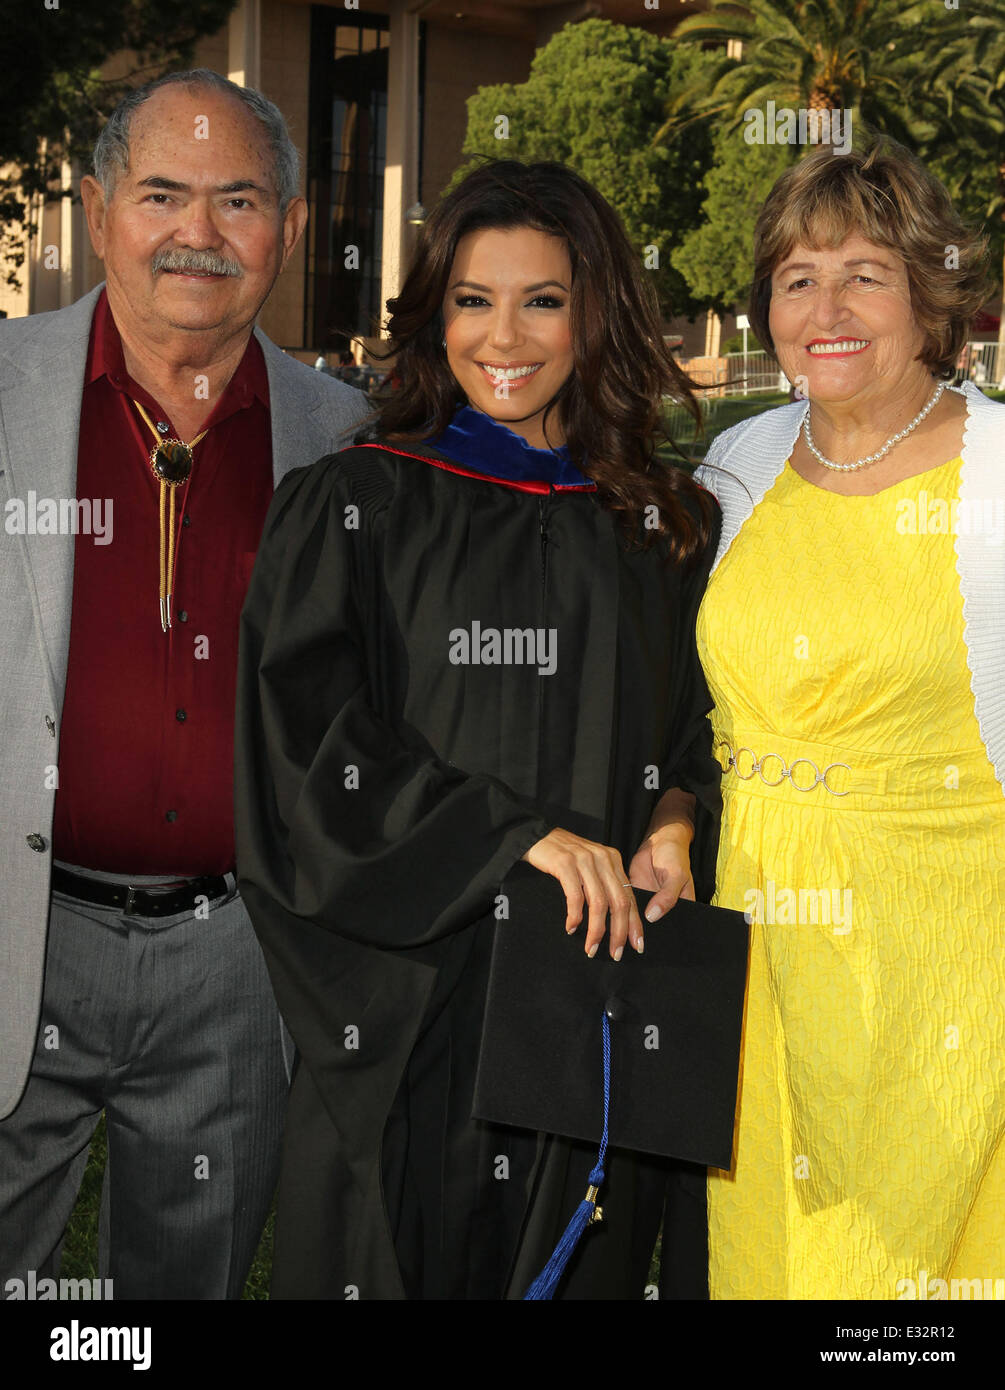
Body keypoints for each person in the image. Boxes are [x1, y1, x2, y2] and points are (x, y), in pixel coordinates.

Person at [235, 159, 722, 1300]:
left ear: (596, 312)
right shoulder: (360, 504)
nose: (503, 335)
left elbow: (703, 717)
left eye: (543, 300)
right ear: (433, 314)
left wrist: (676, 819)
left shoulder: (660, 525)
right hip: (415, 997)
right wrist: (510, 839)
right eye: (471, 299)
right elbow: (304, 753)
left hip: (594, 985)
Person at [0, 69, 367, 1299]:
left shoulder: (349, 436)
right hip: (19, 928)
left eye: (239, 201)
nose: (199, 234)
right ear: (101, 210)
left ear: (293, 229)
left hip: (235, 958)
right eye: (163, 194)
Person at [686, 137, 1005, 1299]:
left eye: (865, 272)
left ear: (931, 295)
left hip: (944, 952)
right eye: (797, 277)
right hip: (756, 940)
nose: (827, 307)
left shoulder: (1000, 477)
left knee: (905, 1266)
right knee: (770, 1244)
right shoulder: (740, 462)